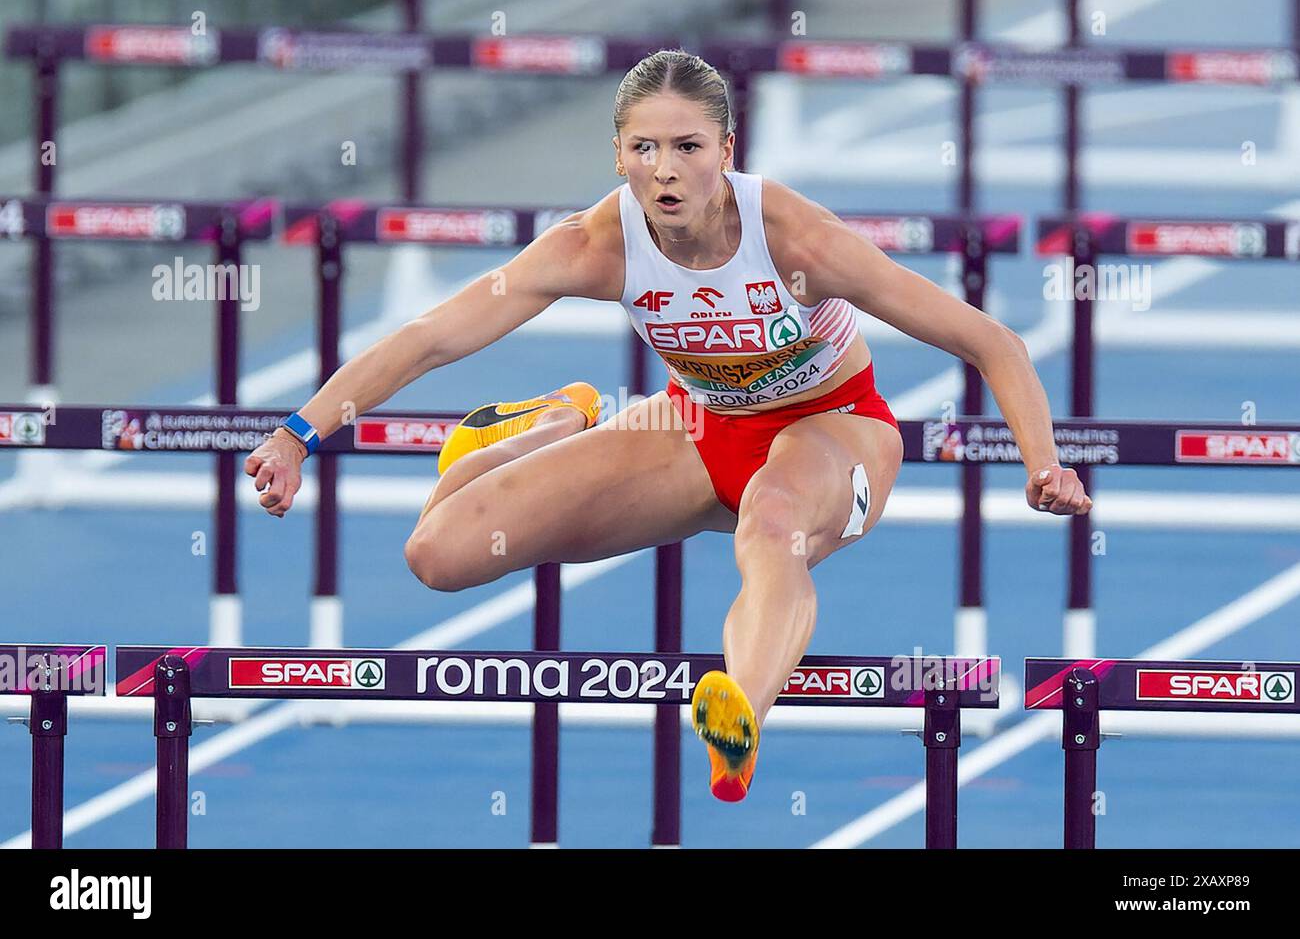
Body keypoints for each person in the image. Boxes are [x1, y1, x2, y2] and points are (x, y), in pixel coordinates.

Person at [244, 49, 1091, 804]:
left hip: (830, 427)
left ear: (727, 151)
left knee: (772, 525)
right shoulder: (594, 245)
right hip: (695, 427)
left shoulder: (798, 239)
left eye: (688, 147)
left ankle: (738, 721)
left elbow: (991, 341)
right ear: (618, 156)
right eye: (644, 149)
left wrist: (1042, 464)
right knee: (438, 555)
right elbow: (430, 338)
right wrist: (296, 435)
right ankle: (553, 422)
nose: (666, 171)